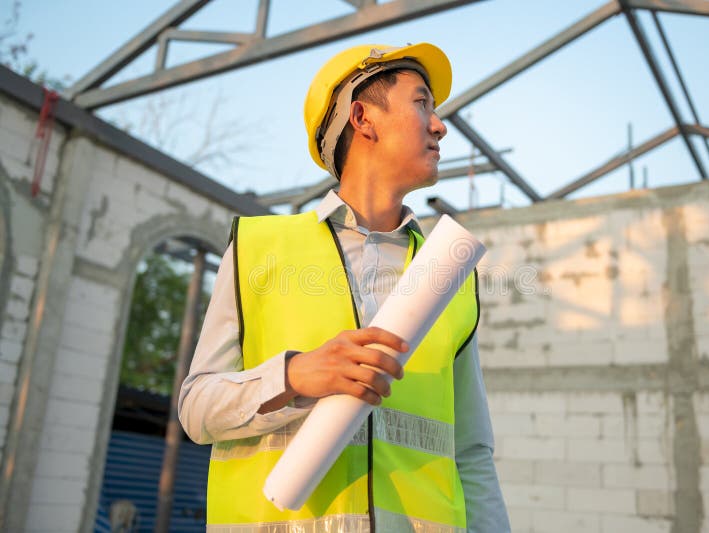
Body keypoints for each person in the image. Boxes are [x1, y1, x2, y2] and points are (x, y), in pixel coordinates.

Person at [179, 42, 510, 532]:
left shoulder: (449, 275)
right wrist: (294, 375)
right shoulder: (260, 247)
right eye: (421, 103)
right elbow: (196, 408)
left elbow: (472, 452)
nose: (439, 126)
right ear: (363, 117)